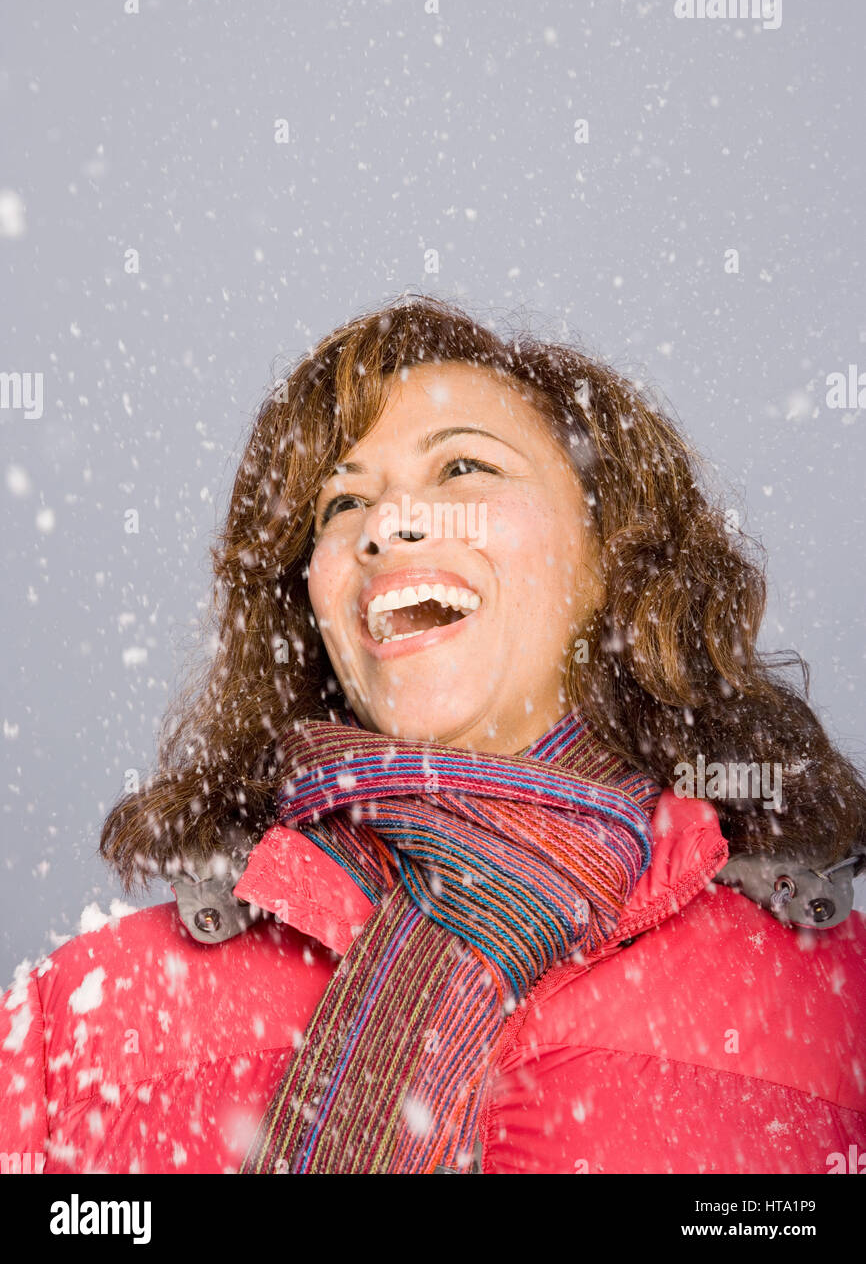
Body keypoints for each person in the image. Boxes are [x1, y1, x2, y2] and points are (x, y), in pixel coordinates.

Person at [2, 294, 864, 1174]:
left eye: (462, 470)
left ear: (612, 555)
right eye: (342, 503)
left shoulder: (836, 1014)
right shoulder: (84, 1018)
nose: (389, 526)